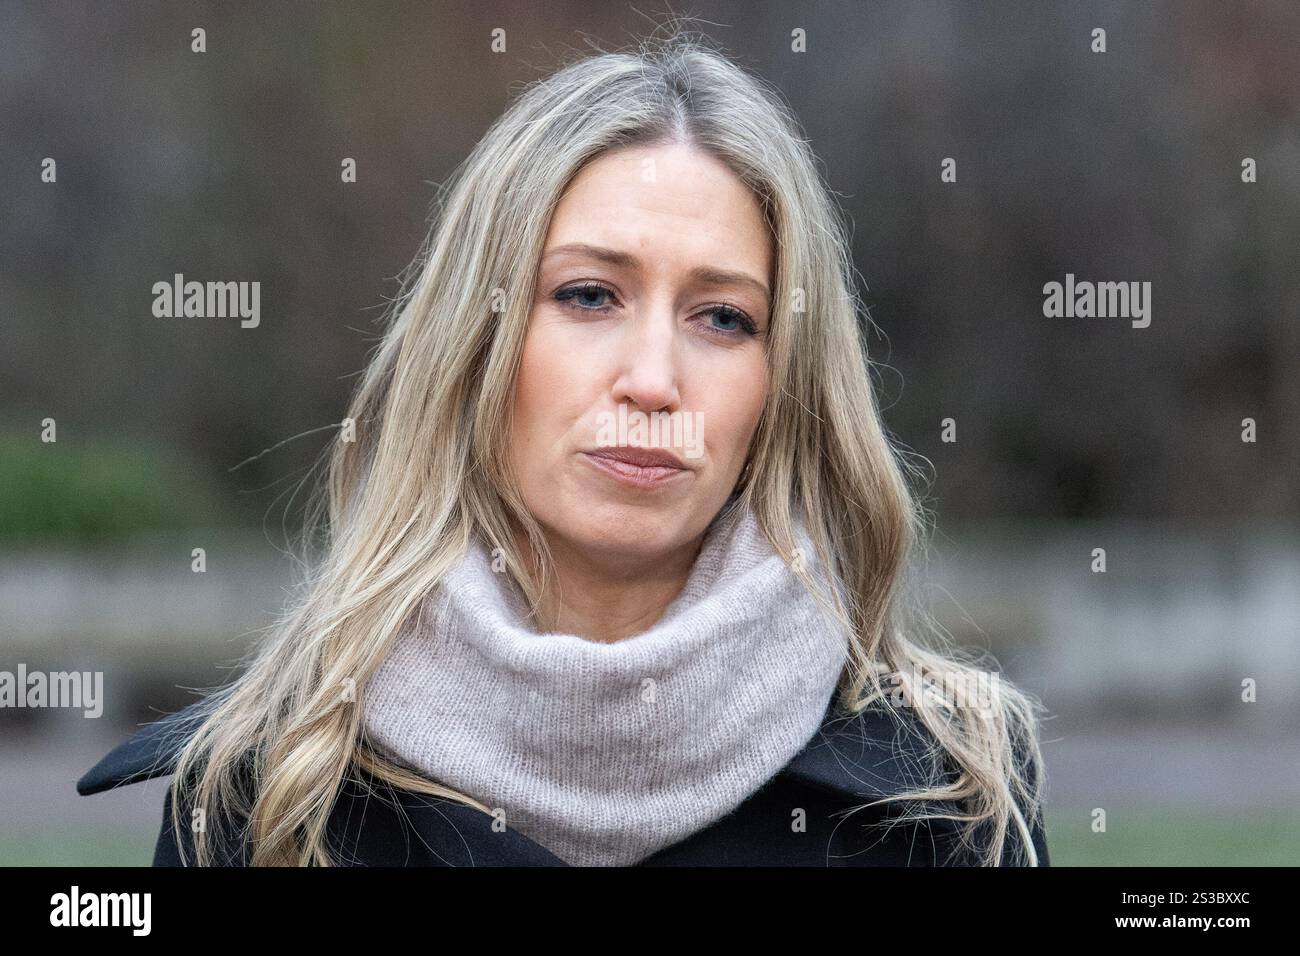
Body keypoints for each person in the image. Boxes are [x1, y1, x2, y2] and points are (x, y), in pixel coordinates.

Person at [77, 30, 1050, 867]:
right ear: (479, 336)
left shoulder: (951, 791)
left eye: (721, 316)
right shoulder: (265, 790)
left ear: (784, 378)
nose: (653, 379)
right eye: (589, 294)